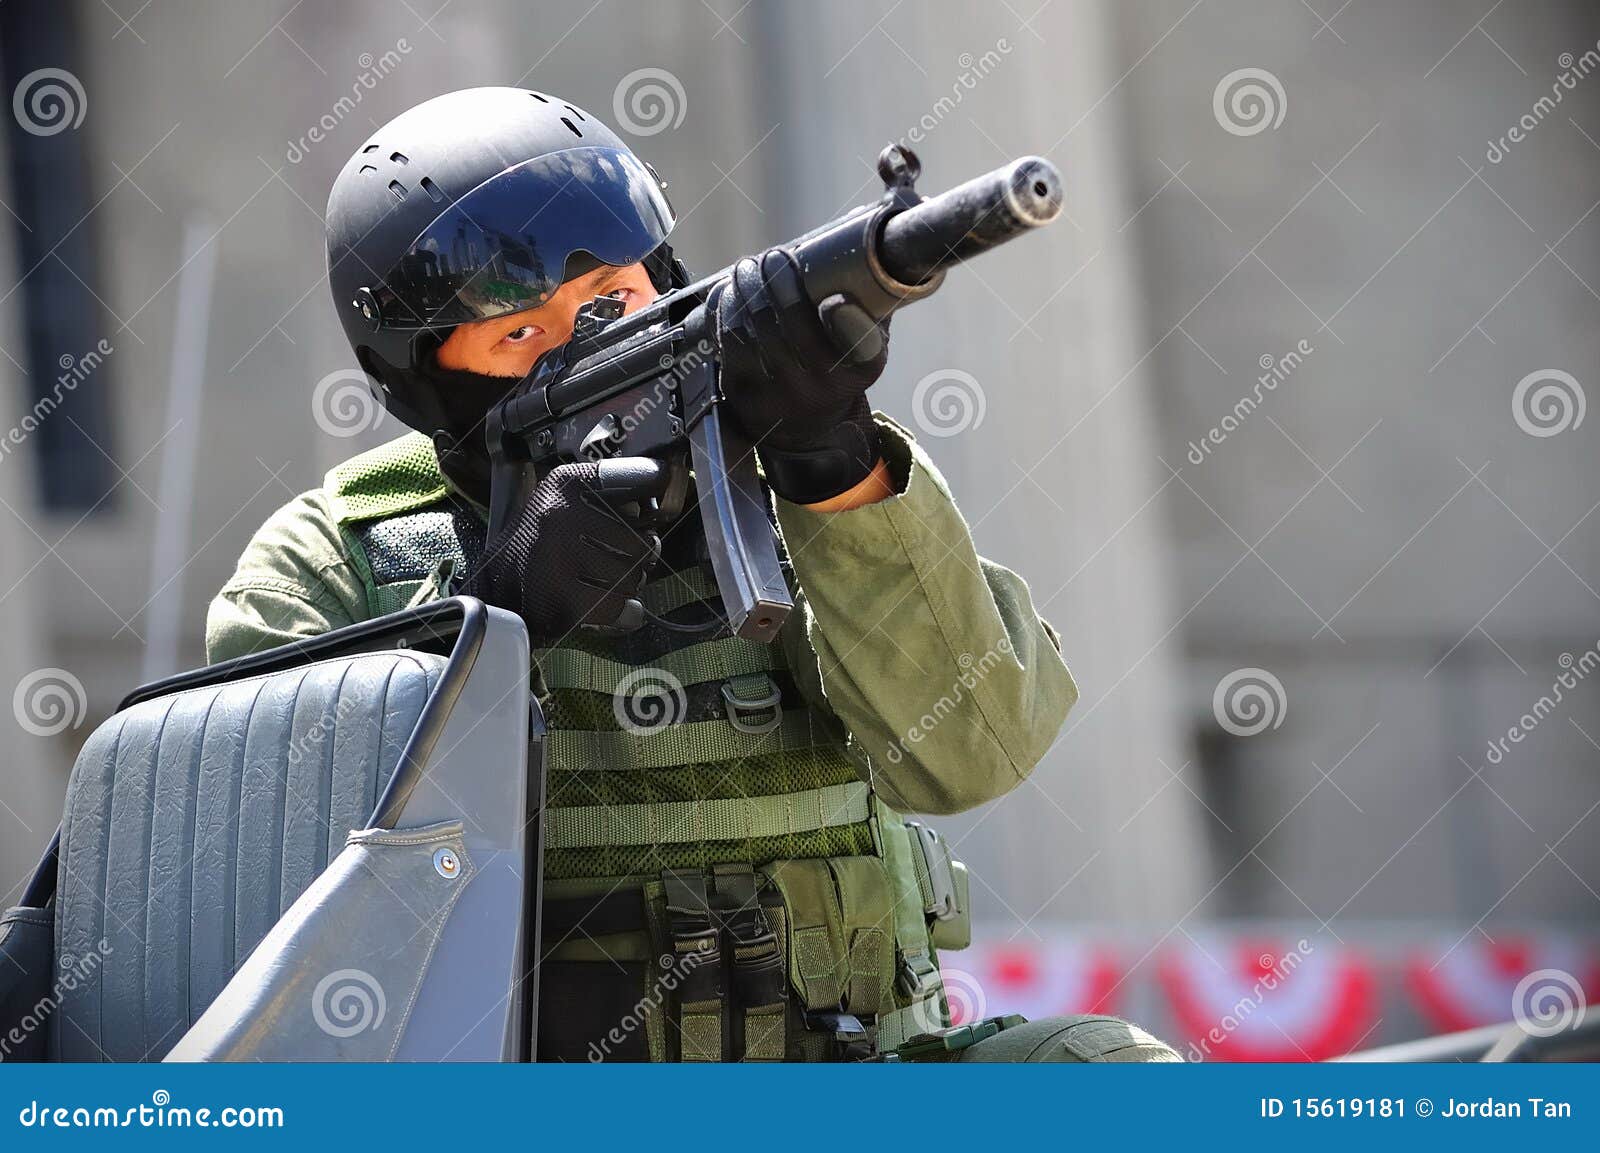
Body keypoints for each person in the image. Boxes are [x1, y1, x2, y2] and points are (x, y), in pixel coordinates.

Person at [206, 87, 1177, 1063]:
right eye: (517, 334)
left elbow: (971, 754)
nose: (582, 344)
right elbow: (264, 881)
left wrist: (834, 465)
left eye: (611, 302)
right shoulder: (334, 557)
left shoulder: (795, 487)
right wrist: (498, 618)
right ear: (427, 382)